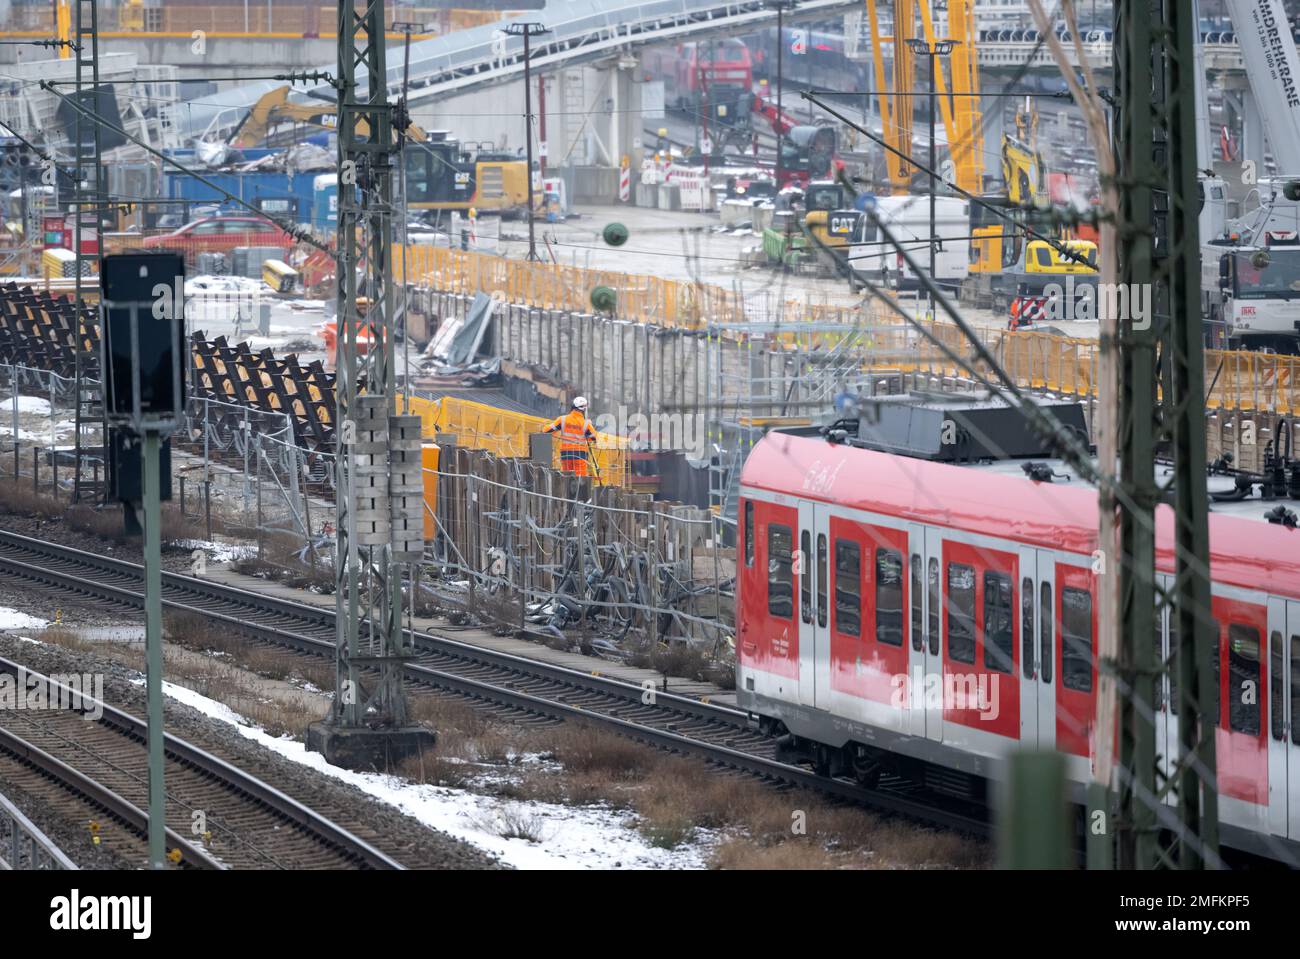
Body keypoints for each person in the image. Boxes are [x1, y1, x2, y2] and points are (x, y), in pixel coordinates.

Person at [544, 396, 598, 494]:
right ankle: (580, 499)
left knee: (567, 477)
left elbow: (547, 430)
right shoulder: (586, 423)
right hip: (580, 454)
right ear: (584, 409)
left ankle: (567, 498)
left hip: (566, 453)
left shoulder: (563, 419)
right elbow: (593, 437)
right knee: (580, 478)